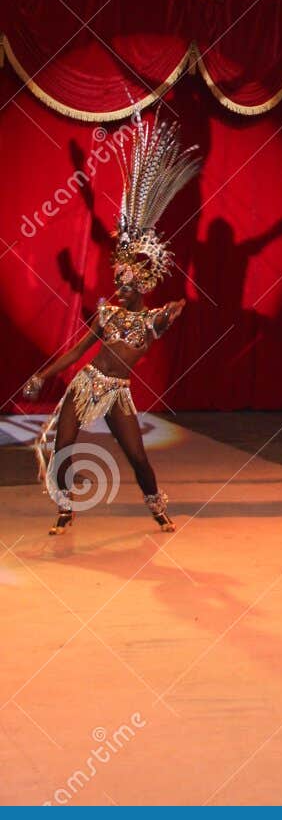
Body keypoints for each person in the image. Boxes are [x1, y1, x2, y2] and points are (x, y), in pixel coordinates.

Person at [22, 113, 197, 534]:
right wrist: (41, 376)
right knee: (64, 448)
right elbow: (77, 353)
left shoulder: (153, 320)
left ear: (142, 282)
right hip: (86, 384)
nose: (119, 283)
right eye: (117, 278)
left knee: (138, 456)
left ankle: (157, 507)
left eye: (127, 279)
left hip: (118, 393)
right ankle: (65, 510)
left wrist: (167, 293)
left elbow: (180, 306)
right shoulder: (109, 314)